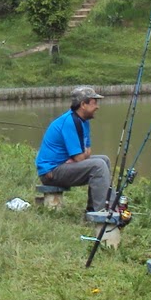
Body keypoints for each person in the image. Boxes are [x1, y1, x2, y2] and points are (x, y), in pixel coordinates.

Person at [35, 85, 111, 215]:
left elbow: (86, 152)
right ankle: (102, 213)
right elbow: (80, 157)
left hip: (63, 165)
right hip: (51, 172)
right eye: (94, 103)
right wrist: (78, 156)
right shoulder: (70, 122)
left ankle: (93, 209)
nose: (97, 107)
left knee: (104, 160)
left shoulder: (83, 121)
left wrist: (78, 156)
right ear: (83, 104)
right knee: (98, 166)